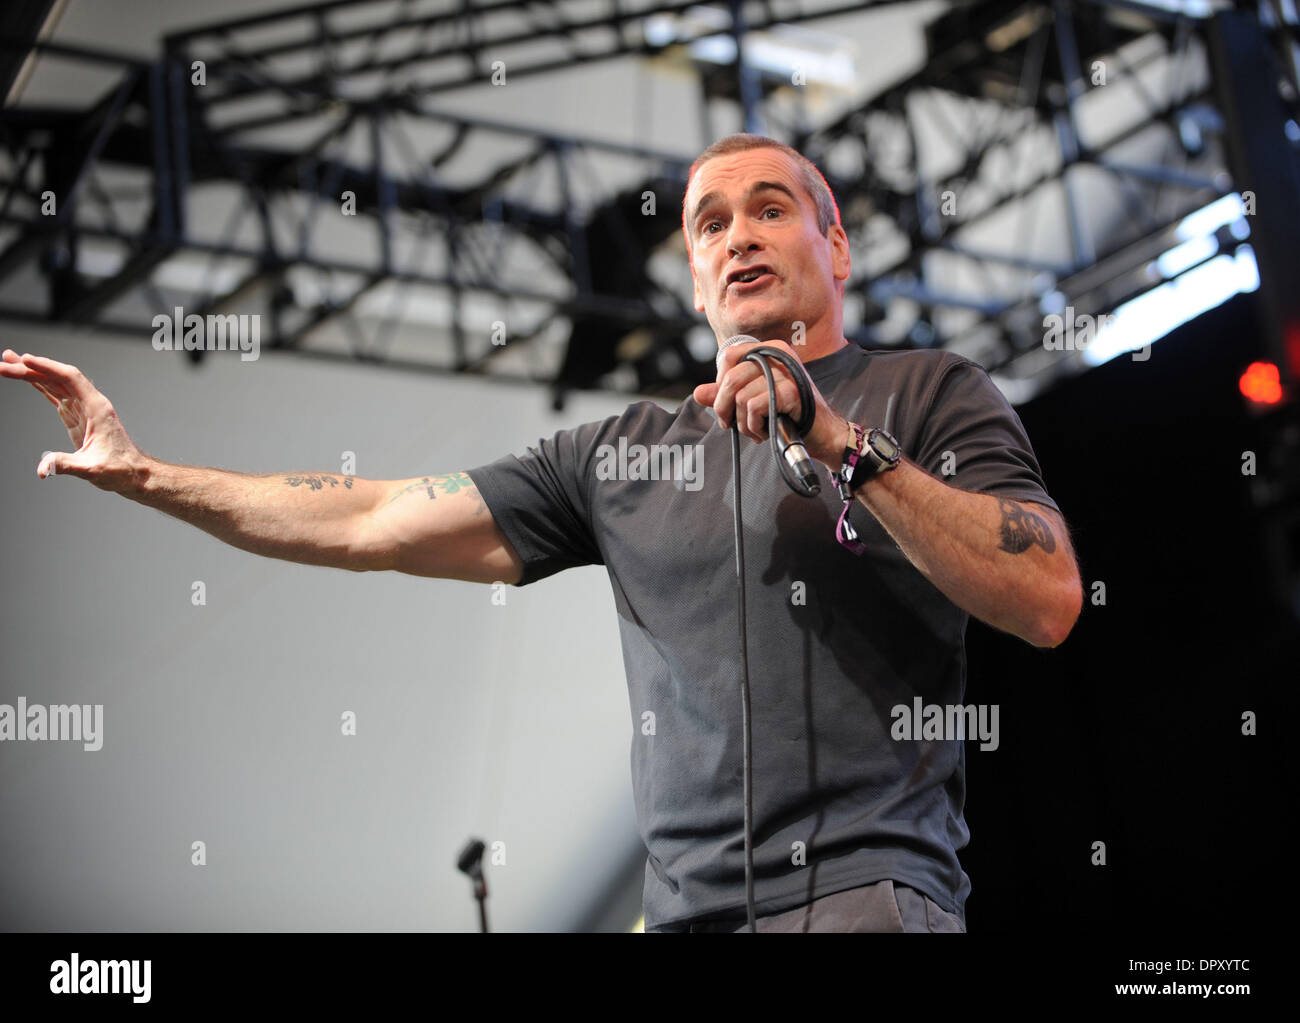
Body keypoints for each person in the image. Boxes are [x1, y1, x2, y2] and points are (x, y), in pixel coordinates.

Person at [0, 133, 1082, 933]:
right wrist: (147, 475)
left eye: (770, 208)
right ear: (695, 276)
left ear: (834, 246)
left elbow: (1044, 599)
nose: (739, 234)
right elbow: (373, 515)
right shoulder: (618, 454)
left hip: (865, 903)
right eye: (710, 222)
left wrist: (837, 440)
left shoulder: (930, 392)